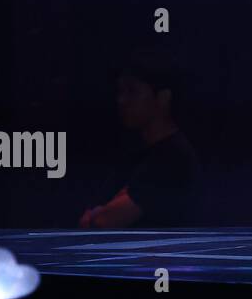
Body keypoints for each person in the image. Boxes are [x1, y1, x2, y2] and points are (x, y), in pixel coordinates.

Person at [79, 46, 203, 229]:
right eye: (120, 91)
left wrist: (101, 214)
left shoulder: (174, 159)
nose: (121, 100)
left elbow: (104, 221)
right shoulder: (137, 154)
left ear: (163, 98)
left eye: (132, 91)